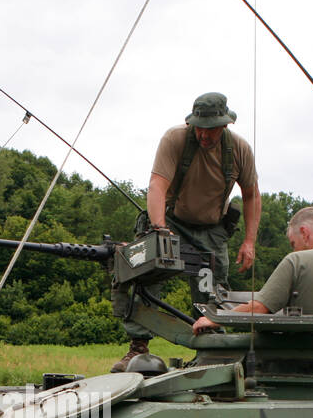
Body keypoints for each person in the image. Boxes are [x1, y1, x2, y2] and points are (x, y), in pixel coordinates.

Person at [112, 91, 261, 371]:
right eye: (199, 128)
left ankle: (209, 353)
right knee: (145, 275)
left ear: (225, 125)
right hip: (172, 222)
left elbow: (252, 194)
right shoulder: (175, 139)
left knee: (212, 292)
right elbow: (158, 184)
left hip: (212, 229)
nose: (204, 135)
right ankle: (138, 347)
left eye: (211, 130)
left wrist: (249, 241)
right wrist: (159, 229)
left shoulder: (240, 149)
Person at [192, 206, 313, 337]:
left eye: (293, 243)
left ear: (304, 233)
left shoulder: (296, 261)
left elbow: (260, 308)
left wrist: (215, 318)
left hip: (292, 362)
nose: (293, 249)